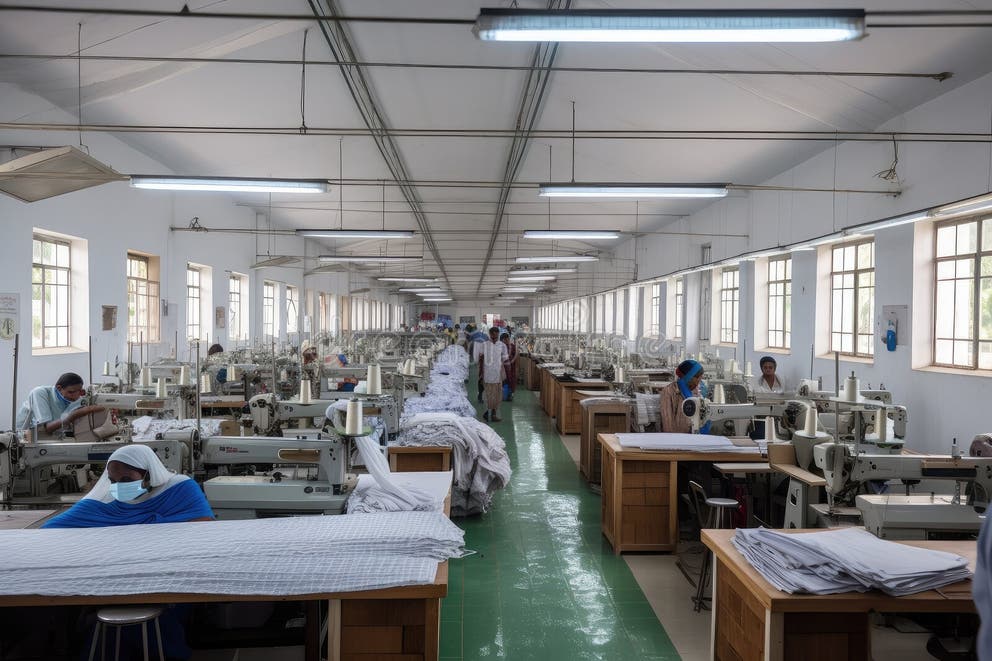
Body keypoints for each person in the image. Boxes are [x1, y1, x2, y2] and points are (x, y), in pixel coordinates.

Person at [43, 444, 214, 528]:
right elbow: (52, 529)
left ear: (148, 473)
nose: (118, 486)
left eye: (126, 480)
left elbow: (203, 526)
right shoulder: (103, 502)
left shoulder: (180, 488)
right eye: (113, 481)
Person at [15, 372, 105, 436]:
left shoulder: (74, 400)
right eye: (71, 392)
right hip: (27, 438)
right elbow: (47, 428)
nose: (76, 396)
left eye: (80, 392)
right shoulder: (39, 393)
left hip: (51, 436)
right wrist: (74, 415)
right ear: (59, 388)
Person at [659, 359, 710, 434]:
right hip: (677, 439)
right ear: (689, 376)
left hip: (695, 438)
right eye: (697, 379)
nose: (698, 383)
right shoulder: (669, 392)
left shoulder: (696, 393)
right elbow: (668, 426)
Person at [479, 327, 509, 423]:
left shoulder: (502, 345)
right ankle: (487, 412)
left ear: (498, 335)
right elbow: (480, 359)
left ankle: (494, 414)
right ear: (490, 334)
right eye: (493, 335)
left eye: (496, 336)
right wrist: (480, 373)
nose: (494, 338)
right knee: (488, 395)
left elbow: (505, 358)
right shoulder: (484, 345)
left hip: (497, 373)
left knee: (497, 395)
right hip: (487, 374)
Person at [501, 332, 518, 402]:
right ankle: (503, 395)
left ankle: (510, 395)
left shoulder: (512, 346)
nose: (506, 341)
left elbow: (516, 353)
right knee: (503, 381)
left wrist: (513, 360)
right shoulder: (500, 346)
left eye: (507, 339)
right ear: (502, 340)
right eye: (504, 340)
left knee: (511, 381)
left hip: (511, 367)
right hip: (502, 367)